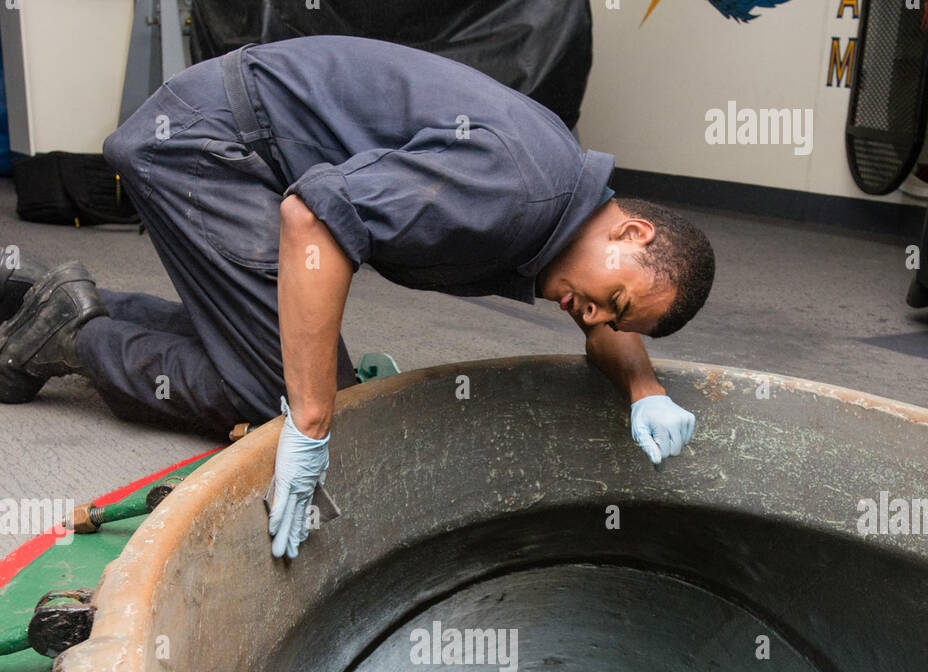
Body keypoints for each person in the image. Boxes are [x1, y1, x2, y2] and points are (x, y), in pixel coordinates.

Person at [0, 36, 715, 558]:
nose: (592, 321)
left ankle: (56, 299)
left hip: (233, 144)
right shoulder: (520, 190)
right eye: (613, 303)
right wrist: (311, 424)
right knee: (285, 400)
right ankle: (71, 337)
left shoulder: (561, 208)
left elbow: (604, 332)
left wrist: (643, 386)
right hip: (210, 148)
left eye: (612, 320)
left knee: (285, 365)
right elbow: (312, 220)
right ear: (633, 231)